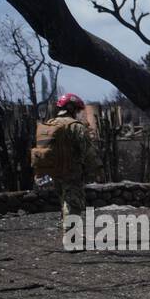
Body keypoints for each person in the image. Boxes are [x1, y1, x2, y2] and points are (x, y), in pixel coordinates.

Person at [32, 93, 100, 224]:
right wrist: (96, 169)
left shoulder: (48, 125)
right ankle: (71, 234)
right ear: (72, 108)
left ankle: (66, 226)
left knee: (63, 198)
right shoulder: (76, 126)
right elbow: (88, 151)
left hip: (53, 171)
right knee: (73, 202)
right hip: (71, 171)